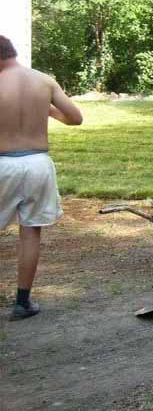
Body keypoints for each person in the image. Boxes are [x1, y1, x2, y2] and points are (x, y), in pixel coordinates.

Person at [0, 35, 83, 321]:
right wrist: (48, 110)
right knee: (31, 229)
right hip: (38, 163)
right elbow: (75, 118)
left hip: (3, 163)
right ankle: (22, 302)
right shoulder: (44, 80)